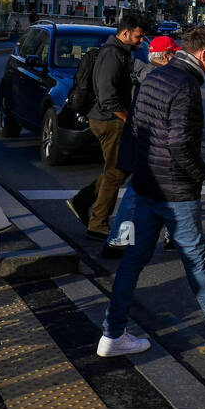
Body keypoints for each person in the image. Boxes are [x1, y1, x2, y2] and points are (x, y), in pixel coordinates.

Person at [97, 26, 205, 355]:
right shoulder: (186, 86)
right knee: (195, 257)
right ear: (203, 54)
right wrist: (200, 173)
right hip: (175, 189)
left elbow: (136, 129)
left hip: (146, 184)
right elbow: (179, 143)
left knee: (132, 261)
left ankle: (112, 334)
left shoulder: (156, 76)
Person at [68, 12, 147, 240]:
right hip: (108, 120)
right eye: (139, 37)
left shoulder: (119, 52)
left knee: (118, 169)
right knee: (116, 172)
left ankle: (82, 201)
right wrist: (127, 119)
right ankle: (98, 224)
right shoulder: (112, 55)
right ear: (125, 33)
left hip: (108, 119)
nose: (141, 42)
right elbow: (108, 97)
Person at [103, 35, 178, 259]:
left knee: (152, 192)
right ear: (167, 56)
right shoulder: (160, 78)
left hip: (141, 142)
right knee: (141, 193)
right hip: (152, 146)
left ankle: (125, 238)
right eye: (175, 53)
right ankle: (120, 238)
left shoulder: (144, 75)